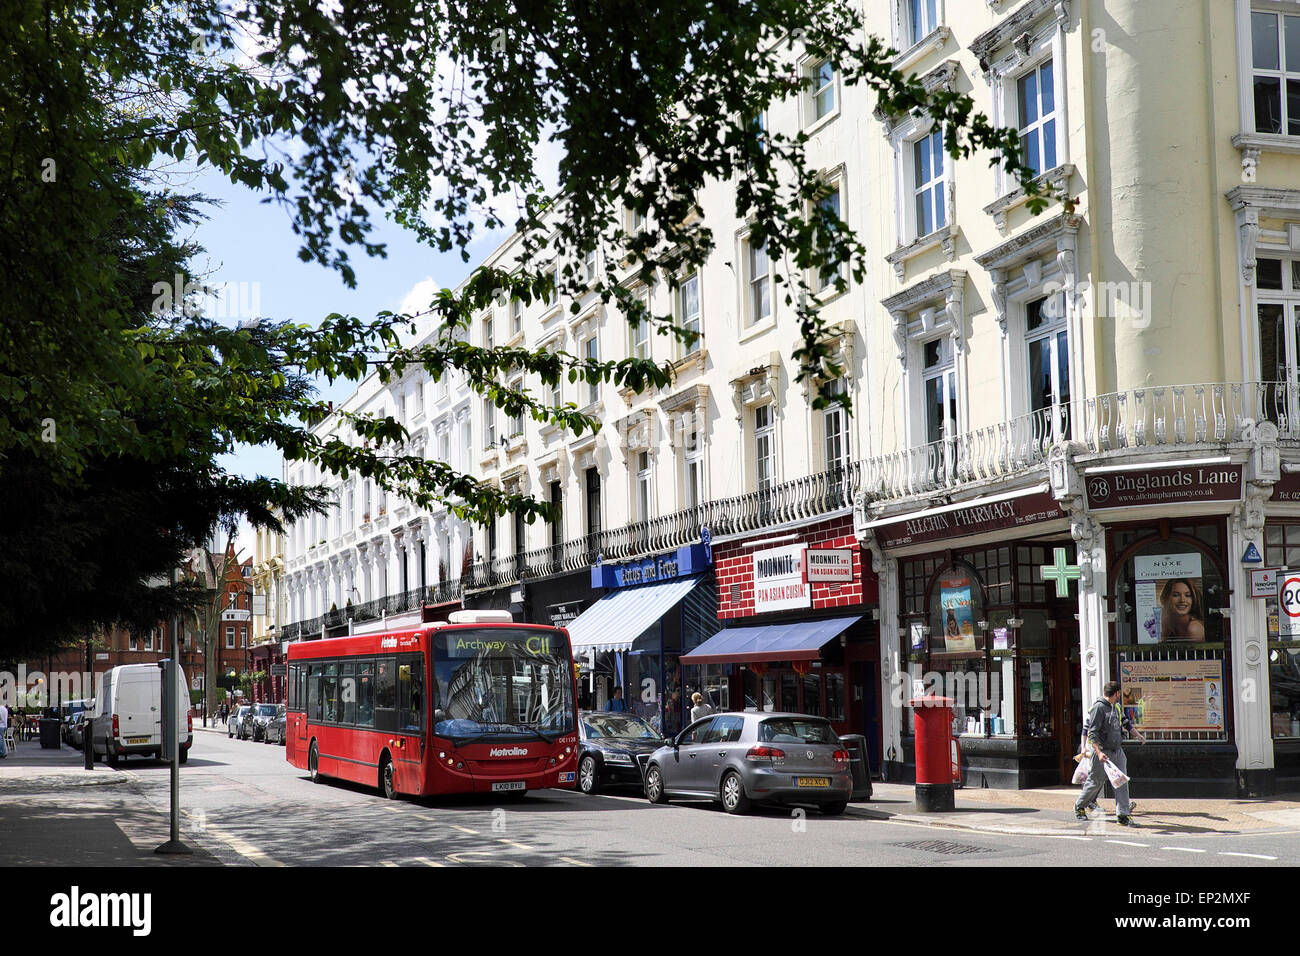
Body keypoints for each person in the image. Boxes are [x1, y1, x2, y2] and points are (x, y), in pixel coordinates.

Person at [1075, 681, 1146, 825]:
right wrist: (1098, 752)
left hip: (1117, 751)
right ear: (1117, 693)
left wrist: (1138, 735)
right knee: (1095, 782)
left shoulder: (1117, 707)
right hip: (1102, 752)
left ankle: (1123, 815)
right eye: (1120, 693)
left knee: (1121, 781)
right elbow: (1092, 732)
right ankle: (1080, 806)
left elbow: (1126, 724)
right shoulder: (1098, 708)